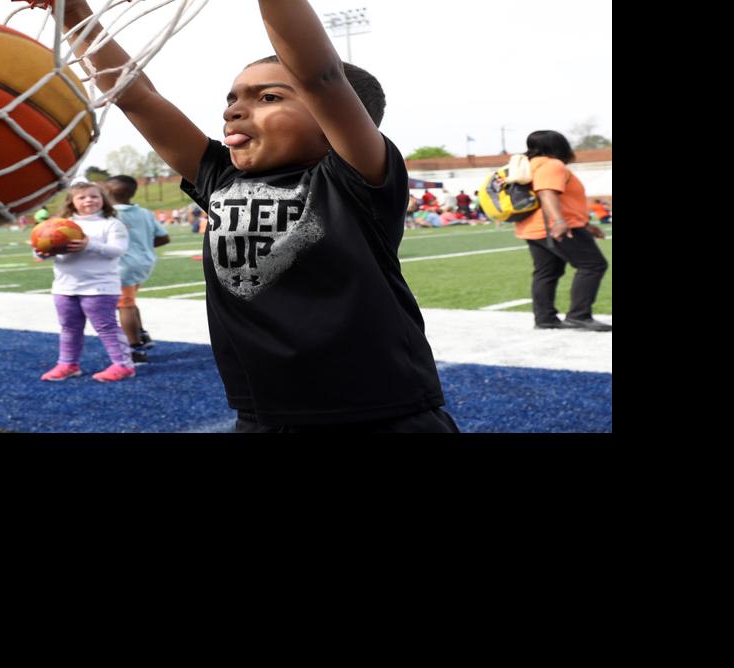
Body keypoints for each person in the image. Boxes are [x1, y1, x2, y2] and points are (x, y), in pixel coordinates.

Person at [41, 0, 454, 432]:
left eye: (268, 97)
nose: (233, 110)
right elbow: (137, 97)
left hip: (383, 412)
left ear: (333, 117)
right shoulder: (219, 178)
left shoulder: (354, 178)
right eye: (232, 98)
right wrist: (71, 14)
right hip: (263, 414)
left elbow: (320, 75)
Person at [34, 181, 136, 383]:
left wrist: (89, 245)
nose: (88, 200)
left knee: (106, 327)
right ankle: (68, 364)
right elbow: (41, 248)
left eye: (94, 196)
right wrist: (41, 251)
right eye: (82, 197)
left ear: (103, 200)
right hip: (65, 286)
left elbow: (117, 251)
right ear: (72, 202)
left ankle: (124, 365)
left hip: (100, 287)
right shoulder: (59, 223)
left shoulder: (111, 223)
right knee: (69, 328)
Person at [517, 131, 611, 331]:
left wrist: (585, 224)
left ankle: (544, 318)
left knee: (547, 272)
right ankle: (579, 315)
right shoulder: (552, 165)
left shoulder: (532, 165)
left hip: (534, 228)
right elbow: (547, 193)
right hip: (558, 227)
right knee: (593, 265)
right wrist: (559, 221)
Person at [105, 174, 171, 363]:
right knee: (130, 301)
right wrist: (143, 246)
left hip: (122, 266)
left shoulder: (110, 214)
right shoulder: (144, 212)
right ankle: (141, 334)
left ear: (108, 192)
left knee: (124, 306)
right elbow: (164, 237)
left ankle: (135, 348)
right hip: (143, 263)